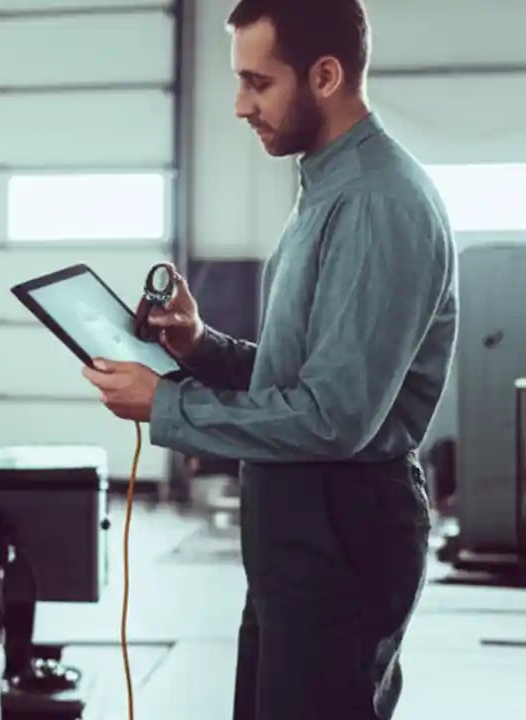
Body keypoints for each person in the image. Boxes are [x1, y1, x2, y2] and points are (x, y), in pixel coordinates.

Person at [80, 1, 458, 718]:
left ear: (324, 75)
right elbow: (306, 379)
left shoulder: (376, 204)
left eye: (258, 83)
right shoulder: (326, 191)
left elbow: (332, 418)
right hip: (301, 533)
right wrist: (199, 346)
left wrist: (167, 406)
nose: (239, 106)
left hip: (341, 533)